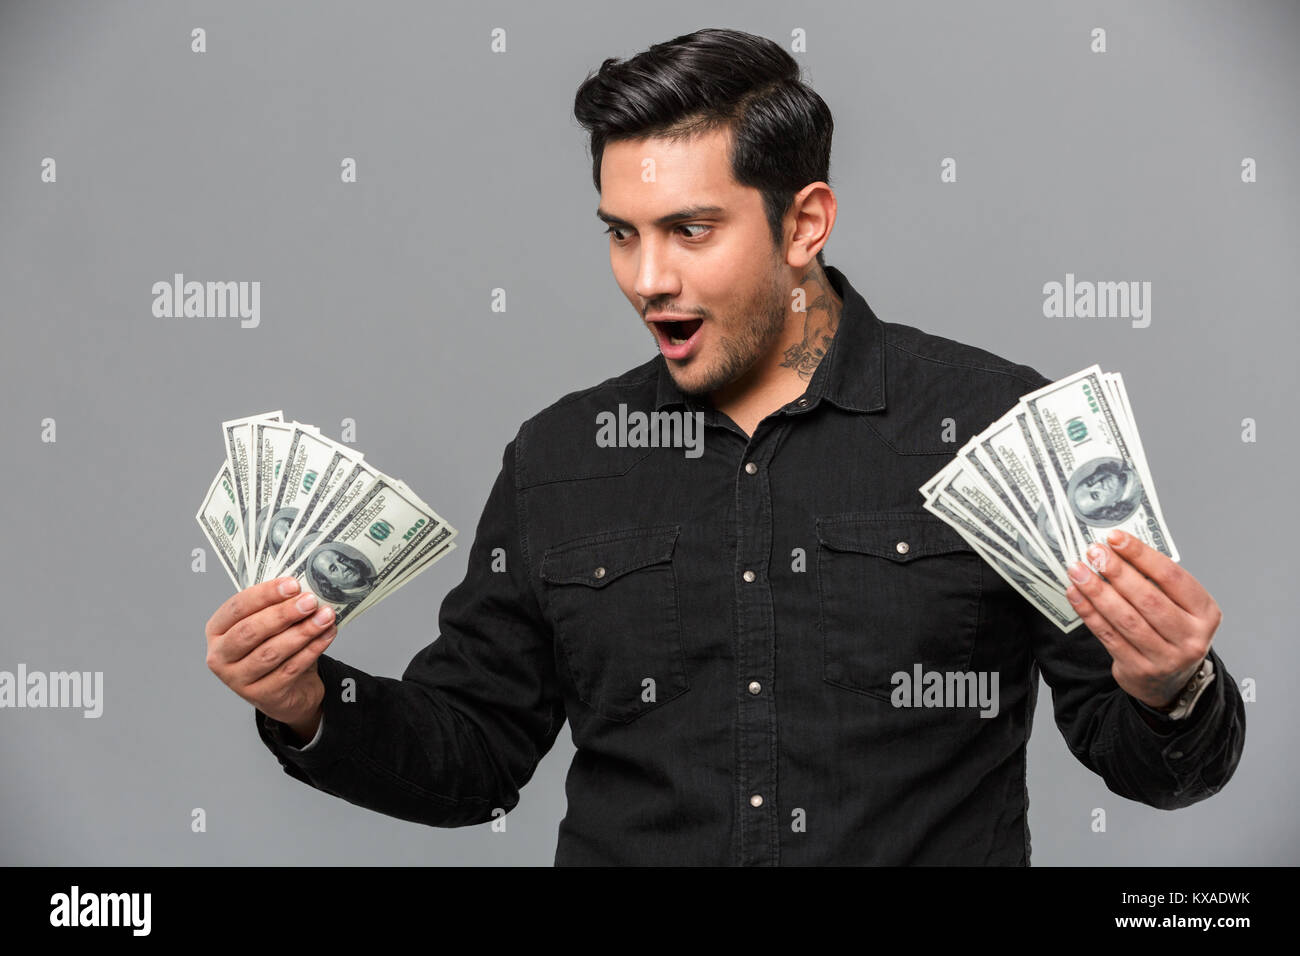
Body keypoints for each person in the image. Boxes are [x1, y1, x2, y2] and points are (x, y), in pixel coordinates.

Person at [203, 28, 1244, 865]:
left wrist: (1171, 687)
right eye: (621, 231)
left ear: (804, 224)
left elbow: (1151, 759)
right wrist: (306, 704)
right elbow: (474, 753)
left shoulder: (989, 422)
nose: (646, 277)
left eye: (688, 230)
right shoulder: (560, 457)